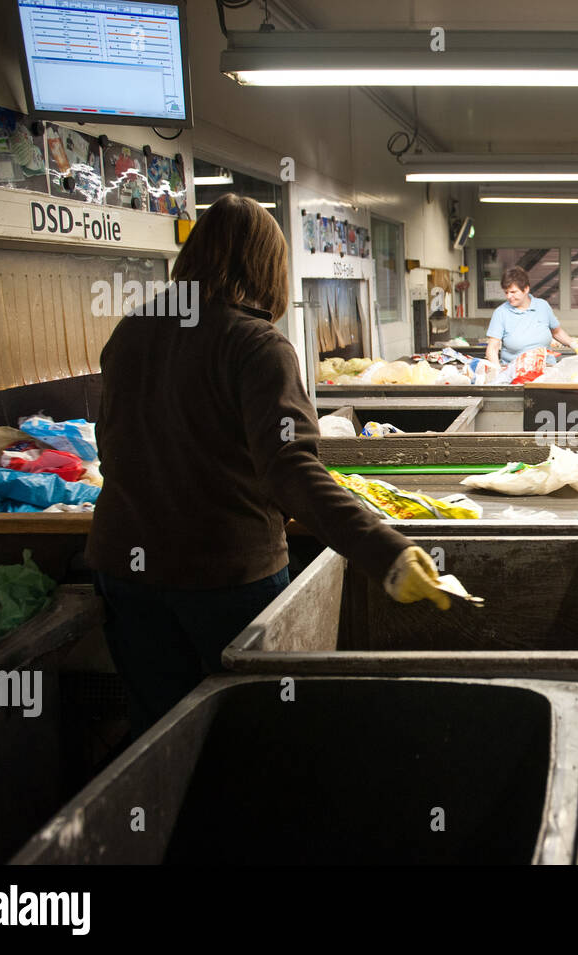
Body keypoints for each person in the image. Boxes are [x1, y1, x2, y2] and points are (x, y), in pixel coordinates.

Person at [86, 194, 452, 737]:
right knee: (252, 733)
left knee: (159, 740)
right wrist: (387, 551)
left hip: (125, 572)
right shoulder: (256, 344)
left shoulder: (131, 332)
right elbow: (291, 471)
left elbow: (110, 444)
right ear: (265, 266)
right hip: (224, 575)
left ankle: (158, 820)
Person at [485, 266, 577, 365]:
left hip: (546, 369)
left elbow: (557, 332)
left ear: (526, 289)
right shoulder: (501, 313)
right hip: (515, 372)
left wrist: (575, 345)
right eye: (506, 292)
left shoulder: (542, 306)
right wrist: (498, 372)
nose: (509, 296)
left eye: (513, 292)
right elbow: (492, 348)